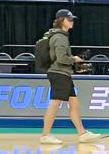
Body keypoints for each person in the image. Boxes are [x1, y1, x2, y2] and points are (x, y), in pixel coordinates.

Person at [38, 9, 100, 145]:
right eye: (69, 19)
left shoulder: (60, 36)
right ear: (61, 20)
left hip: (63, 73)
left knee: (74, 103)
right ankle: (45, 135)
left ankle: (82, 133)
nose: (72, 22)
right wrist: (75, 59)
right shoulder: (60, 37)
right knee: (55, 103)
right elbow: (61, 58)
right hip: (59, 73)